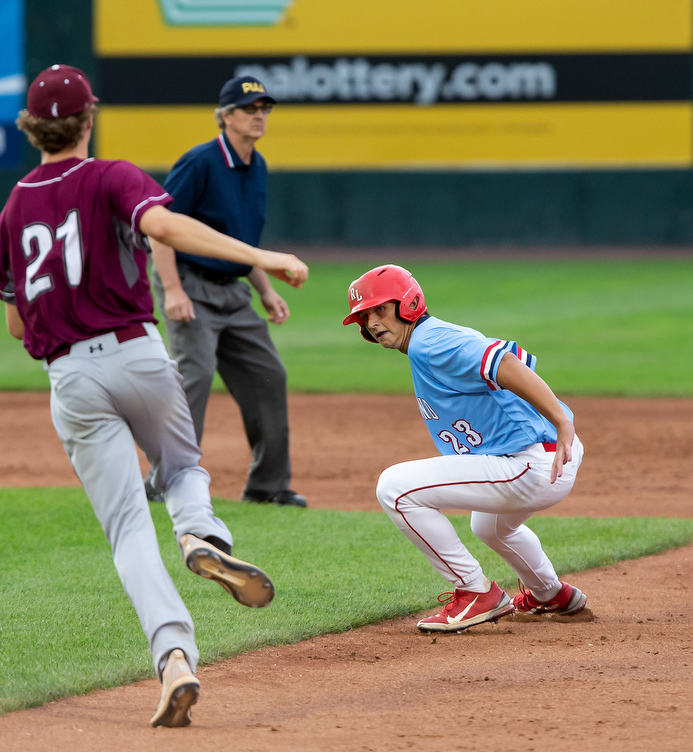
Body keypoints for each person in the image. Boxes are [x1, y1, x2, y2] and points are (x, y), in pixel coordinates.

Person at [0, 65, 308, 727]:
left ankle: (173, 656)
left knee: (126, 534)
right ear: (88, 119)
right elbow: (167, 229)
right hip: (137, 353)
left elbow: (17, 322)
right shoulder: (110, 176)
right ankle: (201, 534)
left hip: (71, 379)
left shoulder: (14, 208)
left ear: (33, 128)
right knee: (181, 468)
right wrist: (270, 259)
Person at [342, 264, 588, 633]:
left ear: (408, 303)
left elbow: (504, 361)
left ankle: (475, 592)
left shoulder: (430, 341)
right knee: (489, 526)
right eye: (365, 315)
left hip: (533, 462)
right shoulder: (426, 342)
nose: (373, 322)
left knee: (395, 487)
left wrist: (562, 419)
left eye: (380, 309)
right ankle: (550, 593)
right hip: (540, 460)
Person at [146, 74, 306, 508]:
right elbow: (158, 229)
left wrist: (265, 290)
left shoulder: (258, 165)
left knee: (268, 376)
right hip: (189, 282)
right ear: (225, 116)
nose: (259, 116)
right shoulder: (200, 162)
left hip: (232, 288)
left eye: (264, 109)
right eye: (249, 109)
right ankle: (165, 482)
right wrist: (173, 290)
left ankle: (267, 485)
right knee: (192, 379)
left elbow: (240, 241)